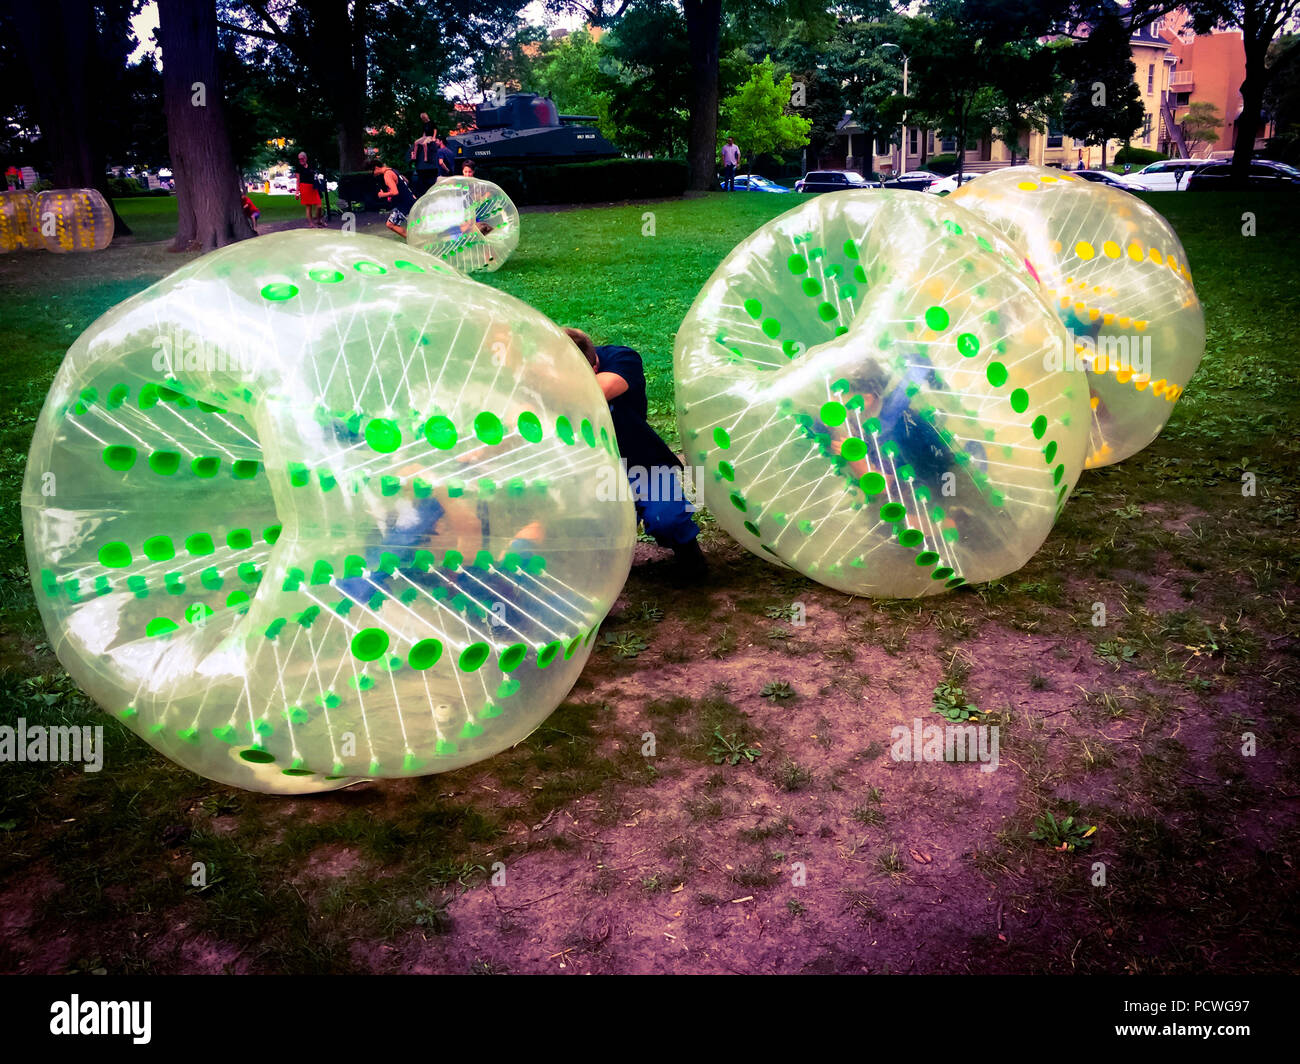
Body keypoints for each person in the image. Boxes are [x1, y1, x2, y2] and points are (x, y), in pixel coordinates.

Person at [563, 328, 707, 578]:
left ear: (594, 366)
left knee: (667, 519)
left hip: (643, 464)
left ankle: (689, 556)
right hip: (587, 472)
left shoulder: (621, 358)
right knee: (578, 530)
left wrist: (550, 384)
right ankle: (602, 566)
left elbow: (602, 388)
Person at [374, 157, 417, 238]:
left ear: (376, 168)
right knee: (415, 226)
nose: (373, 174)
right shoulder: (392, 170)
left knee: (390, 224)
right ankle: (414, 239)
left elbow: (395, 192)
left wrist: (382, 194)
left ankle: (413, 240)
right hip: (409, 200)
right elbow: (406, 181)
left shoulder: (387, 175)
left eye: (372, 171)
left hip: (405, 204)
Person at [295, 151, 325, 227]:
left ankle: (318, 220)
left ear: (306, 158)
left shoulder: (311, 165)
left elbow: (316, 175)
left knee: (319, 206)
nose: (301, 160)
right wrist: (297, 192)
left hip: (314, 187)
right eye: (299, 159)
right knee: (308, 206)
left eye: (302, 159)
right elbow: (298, 180)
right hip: (304, 187)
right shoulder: (298, 167)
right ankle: (311, 223)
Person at [412, 112, 440, 194]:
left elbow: (435, 130)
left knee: (425, 144)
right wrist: (421, 138)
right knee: (416, 142)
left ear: (426, 117)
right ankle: (414, 155)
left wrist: (434, 137)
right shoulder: (424, 125)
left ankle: (425, 157)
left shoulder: (432, 123)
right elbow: (424, 133)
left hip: (431, 137)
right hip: (425, 137)